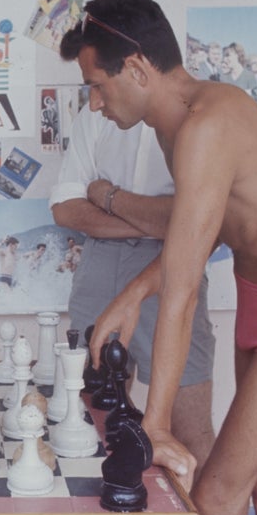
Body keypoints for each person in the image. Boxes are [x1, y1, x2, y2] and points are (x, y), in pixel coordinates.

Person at [59, 0, 257, 515]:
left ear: (137, 68)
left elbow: (185, 287)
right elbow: (207, 235)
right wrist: (134, 291)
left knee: (217, 497)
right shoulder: (173, 125)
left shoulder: (206, 125)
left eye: (98, 86)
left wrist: (157, 423)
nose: (96, 104)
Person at [49, 100, 216, 480]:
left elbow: (205, 218)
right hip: (102, 260)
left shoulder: (198, 116)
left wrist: (108, 198)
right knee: (90, 423)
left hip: (171, 263)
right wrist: (162, 221)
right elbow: (65, 210)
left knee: (191, 435)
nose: (95, 96)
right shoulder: (95, 112)